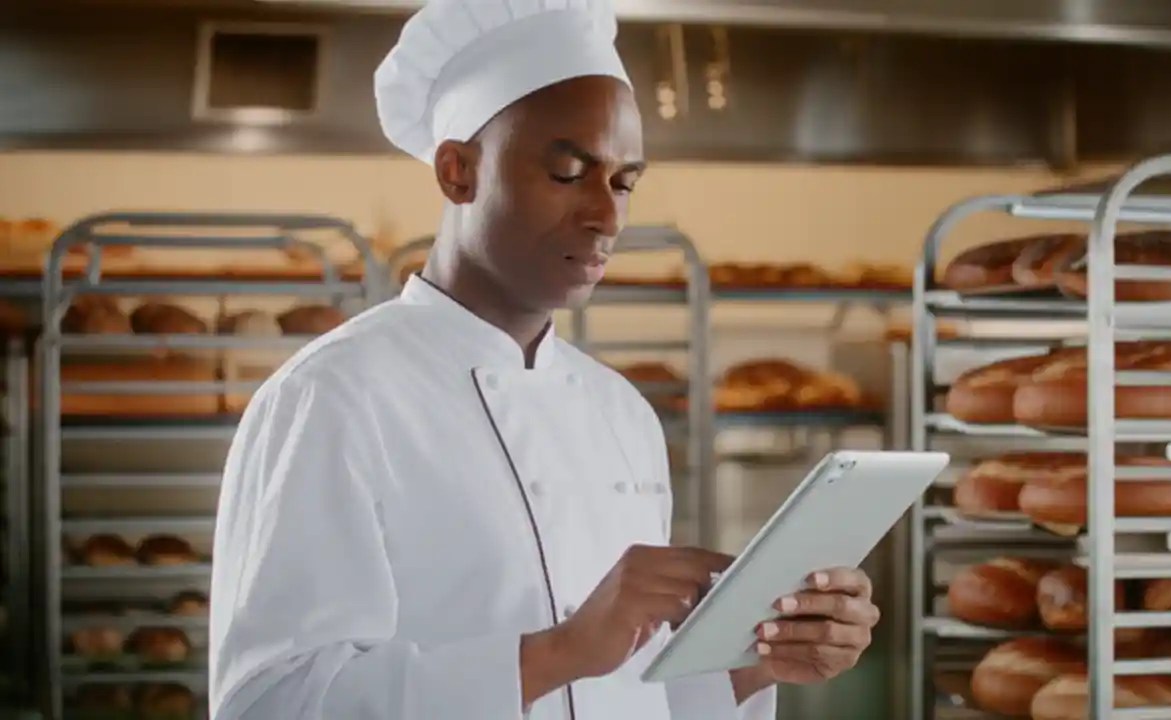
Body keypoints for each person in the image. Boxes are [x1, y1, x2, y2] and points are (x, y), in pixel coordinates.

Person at [207, 1, 880, 718]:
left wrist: (758, 661)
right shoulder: (332, 397)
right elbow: (267, 703)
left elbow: (630, 691)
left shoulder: (621, 411)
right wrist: (557, 651)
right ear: (458, 172)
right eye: (567, 171)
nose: (609, 216)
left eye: (624, 182)